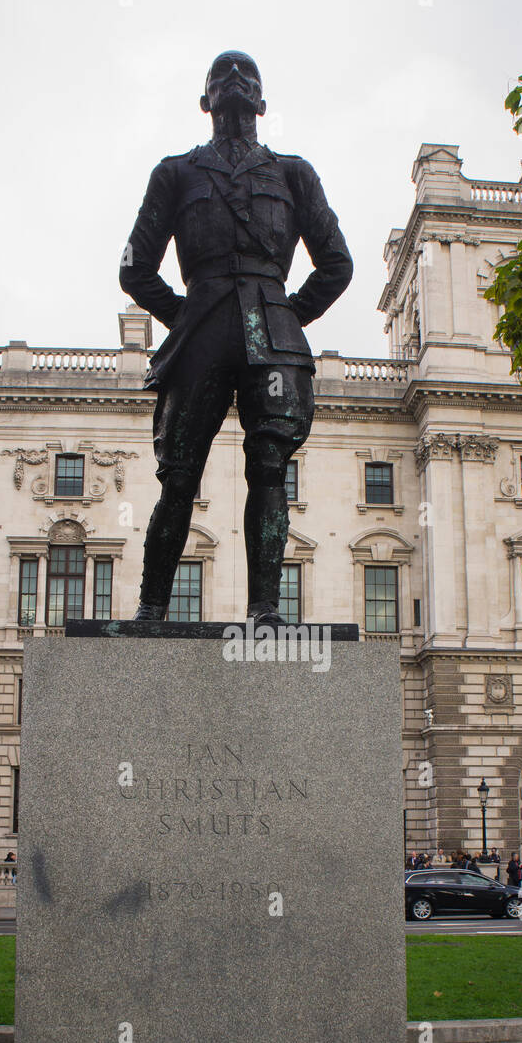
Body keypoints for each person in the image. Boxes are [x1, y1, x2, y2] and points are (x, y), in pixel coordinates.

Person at [119, 51, 352, 627]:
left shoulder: (295, 173)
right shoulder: (174, 173)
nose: (234, 82)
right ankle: (151, 609)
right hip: (202, 329)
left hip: (271, 334)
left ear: (262, 102)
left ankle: (266, 610)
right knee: (178, 474)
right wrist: (185, 315)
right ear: (206, 101)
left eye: (246, 76)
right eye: (221, 76)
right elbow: (134, 266)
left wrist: (288, 316)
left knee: (270, 465)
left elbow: (337, 264)